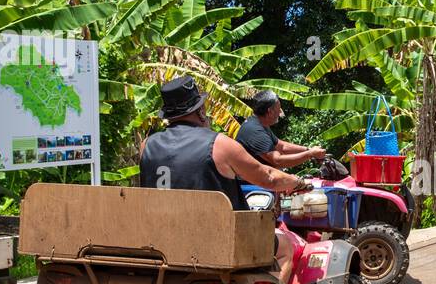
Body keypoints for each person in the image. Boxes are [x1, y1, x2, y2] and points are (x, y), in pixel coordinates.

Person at [139, 76, 303, 210]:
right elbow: (269, 178)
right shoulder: (219, 144)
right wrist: (297, 182)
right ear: (201, 111)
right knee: (288, 245)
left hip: (159, 239)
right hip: (217, 239)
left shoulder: (146, 145)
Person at [236, 90, 326, 169]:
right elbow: (277, 161)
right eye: (278, 109)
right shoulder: (255, 131)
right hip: (251, 184)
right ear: (270, 111)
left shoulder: (259, 123)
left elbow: (282, 146)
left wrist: (308, 149)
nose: (280, 112)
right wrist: (310, 154)